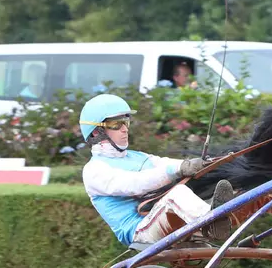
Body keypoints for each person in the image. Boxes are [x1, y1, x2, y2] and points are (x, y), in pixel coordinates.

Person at [79, 93, 235, 247]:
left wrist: (199, 164)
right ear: (95, 132)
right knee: (177, 193)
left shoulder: (137, 156)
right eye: (116, 124)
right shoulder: (93, 171)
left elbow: (164, 163)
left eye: (126, 122)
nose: (125, 129)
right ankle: (212, 221)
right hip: (139, 230)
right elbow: (135, 184)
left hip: (158, 216)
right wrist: (179, 168)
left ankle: (219, 219)